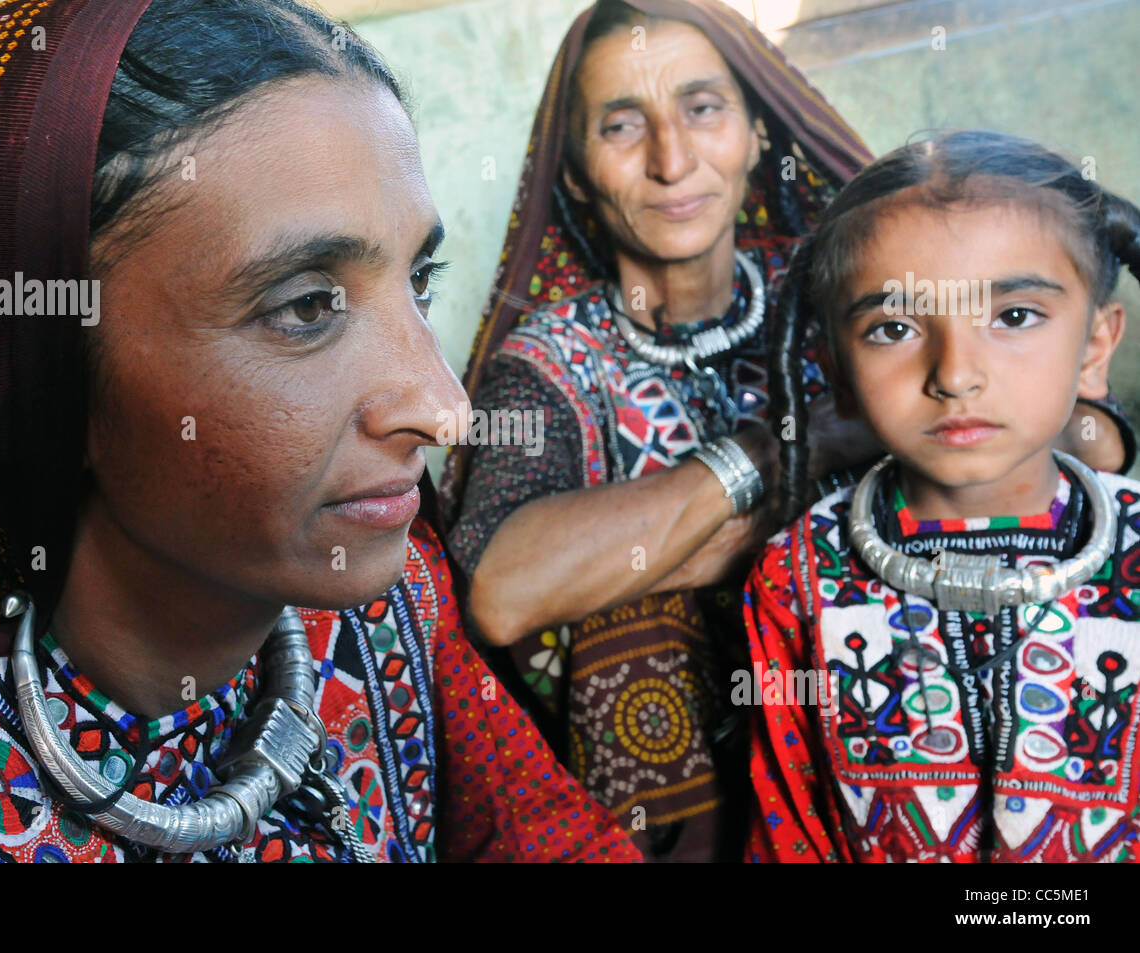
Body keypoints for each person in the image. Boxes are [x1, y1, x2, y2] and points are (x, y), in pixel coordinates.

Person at [0, 0, 640, 864]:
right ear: (49, 382)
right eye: (304, 307)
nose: (445, 409)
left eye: (420, 277)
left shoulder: (386, 606)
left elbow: (552, 836)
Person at [438, 0, 1134, 861]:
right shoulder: (547, 361)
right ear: (575, 172)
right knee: (639, 622)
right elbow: (502, 595)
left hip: (912, 674)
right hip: (695, 768)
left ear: (757, 133)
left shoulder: (847, 285)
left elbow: (1088, 445)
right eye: (622, 125)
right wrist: (771, 456)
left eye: (703, 108)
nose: (672, 158)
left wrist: (670, 541)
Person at [747, 130, 1140, 862]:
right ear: (835, 371)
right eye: (893, 328)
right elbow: (789, 831)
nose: (955, 374)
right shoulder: (793, 577)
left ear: (1094, 348)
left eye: (1014, 317)